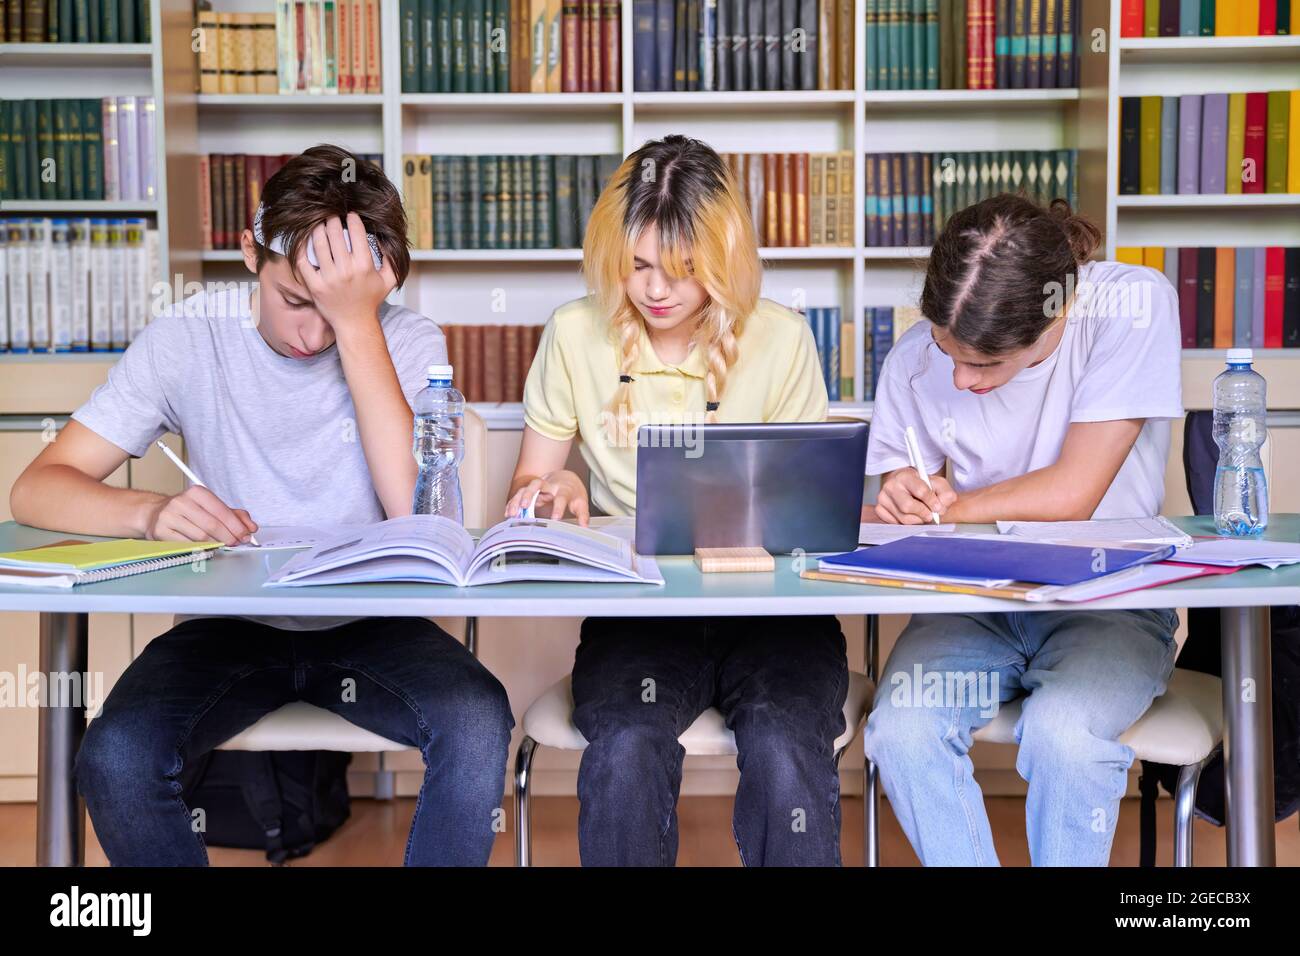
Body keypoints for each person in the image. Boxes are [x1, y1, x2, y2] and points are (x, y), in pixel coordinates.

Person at [9, 144, 513, 866]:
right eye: (298, 302)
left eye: (338, 311)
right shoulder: (188, 336)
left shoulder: (403, 337)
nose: (313, 335)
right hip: (228, 626)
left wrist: (357, 322)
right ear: (250, 252)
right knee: (115, 756)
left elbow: (418, 514)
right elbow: (37, 486)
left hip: (373, 626)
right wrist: (148, 515)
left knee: (477, 721)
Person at [505, 135, 849, 866]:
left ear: (723, 263)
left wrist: (766, 538)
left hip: (771, 615)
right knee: (626, 745)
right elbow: (528, 492)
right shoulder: (574, 332)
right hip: (641, 615)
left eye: (684, 271)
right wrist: (556, 487)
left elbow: (810, 516)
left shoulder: (783, 339)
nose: (656, 291)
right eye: (637, 266)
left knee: (786, 743)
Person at [862, 194, 1184, 866]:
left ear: (1056, 312)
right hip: (977, 604)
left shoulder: (1128, 306)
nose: (961, 377)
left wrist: (948, 508)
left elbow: (1074, 493)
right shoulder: (919, 355)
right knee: (901, 730)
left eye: (986, 364)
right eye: (951, 352)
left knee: (1065, 736)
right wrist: (898, 497)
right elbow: (891, 501)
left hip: (1109, 603)